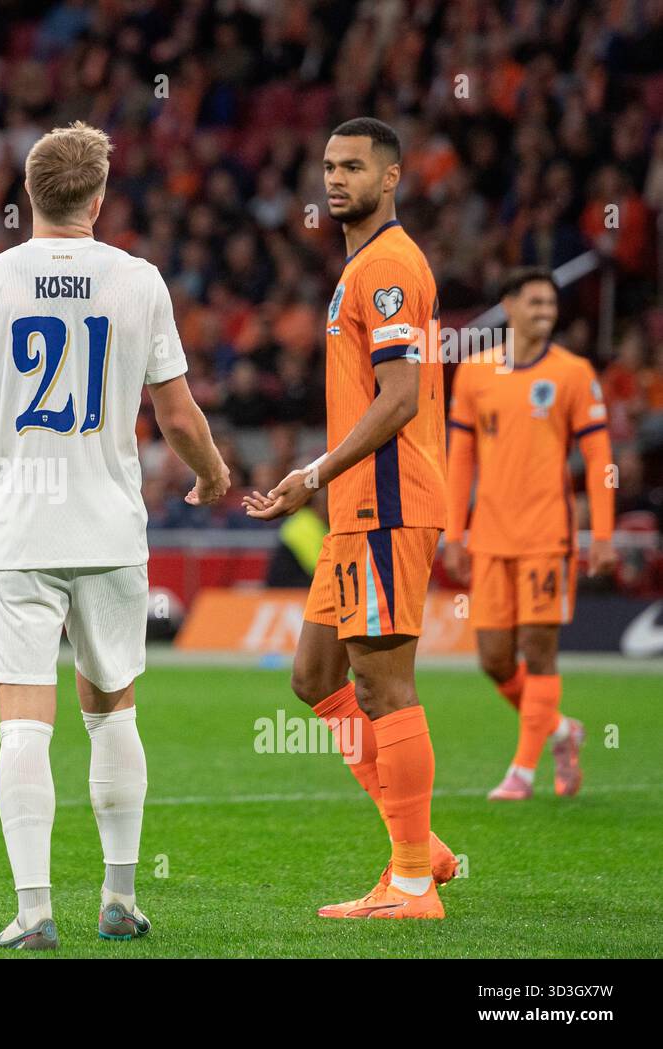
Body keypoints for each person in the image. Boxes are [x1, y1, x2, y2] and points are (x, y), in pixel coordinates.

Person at [0, 122, 229, 949]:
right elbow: (176, 413)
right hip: (109, 529)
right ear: (99, 197)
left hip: (19, 530)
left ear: (27, 195)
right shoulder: (140, 281)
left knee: (24, 720)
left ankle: (34, 911)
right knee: (113, 709)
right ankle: (119, 896)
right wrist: (211, 472)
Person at [245, 118, 455, 920]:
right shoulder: (359, 267)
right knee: (315, 676)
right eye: (330, 166)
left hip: (388, 500)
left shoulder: (391, 265)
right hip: (355, 507)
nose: (336, 179)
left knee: (382, 683)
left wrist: (315, 472)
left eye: (355, 167)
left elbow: (399, 399)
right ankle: (421, 845)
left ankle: (412, 882)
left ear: (392, 176)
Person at [443, 267, 616, 801]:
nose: (546, 311)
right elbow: (461, 458)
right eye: (535, 302)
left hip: (547, 536)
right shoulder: (474, 373)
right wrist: (455, 532)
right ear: (509, 305)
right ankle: (562, 731)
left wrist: (602, 533)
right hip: (490, 537)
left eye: (551, 303)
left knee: (539, 653)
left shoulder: (573, 373)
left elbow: (600, 457)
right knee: (494, 659)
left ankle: (522, 771)